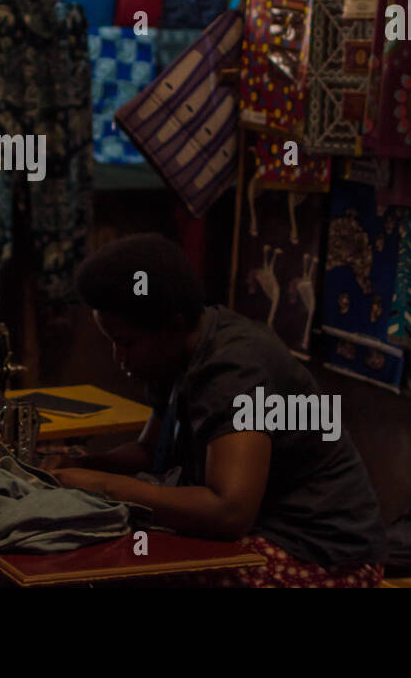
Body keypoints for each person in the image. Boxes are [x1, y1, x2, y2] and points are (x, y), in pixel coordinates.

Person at [54, 233, 387, 587]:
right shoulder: (176, 354)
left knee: (137, 569)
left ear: (174, 327)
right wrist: (80, 466)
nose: (119, 359)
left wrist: (103, 485)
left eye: (126, 344)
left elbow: (229, 512)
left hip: (325, 556)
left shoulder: (235, 369)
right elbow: (151, 452)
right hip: (268, 531)